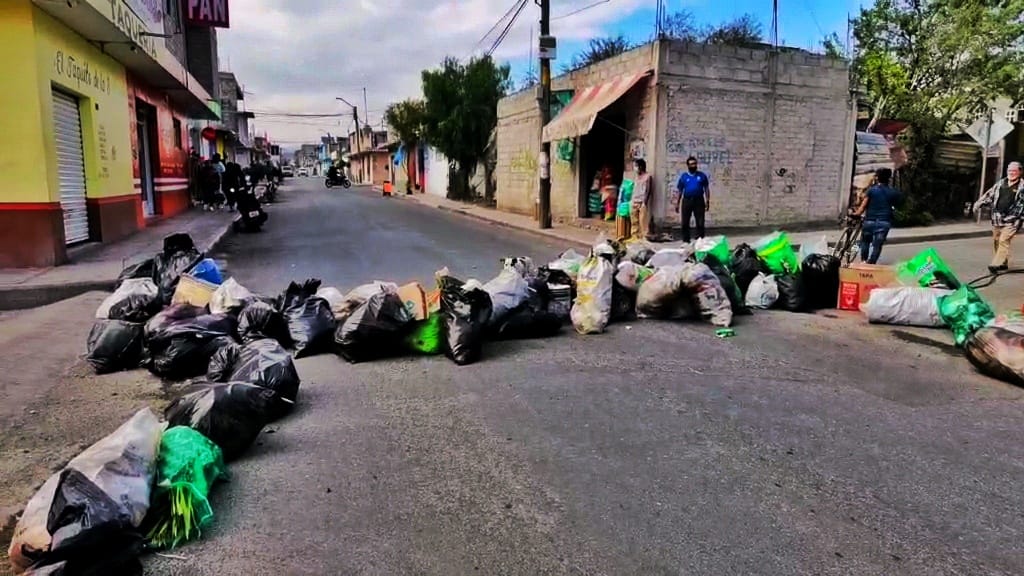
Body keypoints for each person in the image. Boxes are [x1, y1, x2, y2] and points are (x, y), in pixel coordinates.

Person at [974, 161, 1024, 272]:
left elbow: (1020, 207)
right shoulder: (1001, 183)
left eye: (1014, 171)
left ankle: (996, 263)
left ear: (1020, 172)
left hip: (1012, 221)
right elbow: (990, 195)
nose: (1012, 173)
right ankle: (1003, 262)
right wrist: (979, 203)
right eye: (1010, 170)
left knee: (1003, 239)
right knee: (996, 240)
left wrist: (1010, 219)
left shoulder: (1022, 187)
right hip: (997, 218)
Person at [851, 167, 902, 264]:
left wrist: (856, 214)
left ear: (877, 178)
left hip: (869, 221)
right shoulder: (893, 192)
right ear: (889, 178)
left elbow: (863, 206)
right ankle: (872, 263)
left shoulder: (872, 191)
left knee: (865, 241)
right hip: (884, 222)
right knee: (877, 245)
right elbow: (897, 205)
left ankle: (864, 261)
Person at [674, 156, 710, 243]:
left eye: (695, 164)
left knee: (700, 222)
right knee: (685, 222)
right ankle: (686, 241)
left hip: (699, 200)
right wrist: (677, 203)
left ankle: (700, 241)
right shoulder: (684, 177)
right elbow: (680, 190)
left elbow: (706, 188)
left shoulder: (702, 176)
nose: (694, 166)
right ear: (688, 166)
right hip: (687, 200)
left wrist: (707, 200)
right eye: (691, 164)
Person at [630, 159, 653, 240]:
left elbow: (648, 190)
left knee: (643, 223)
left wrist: (645, 202)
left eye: (636, 166)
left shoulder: (648, 177)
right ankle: (635, 238)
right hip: (634, 201)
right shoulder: (636, 176)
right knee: (634, 222)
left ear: (641, 166)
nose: (635, 168)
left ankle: (644, 238)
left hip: (642, 202)